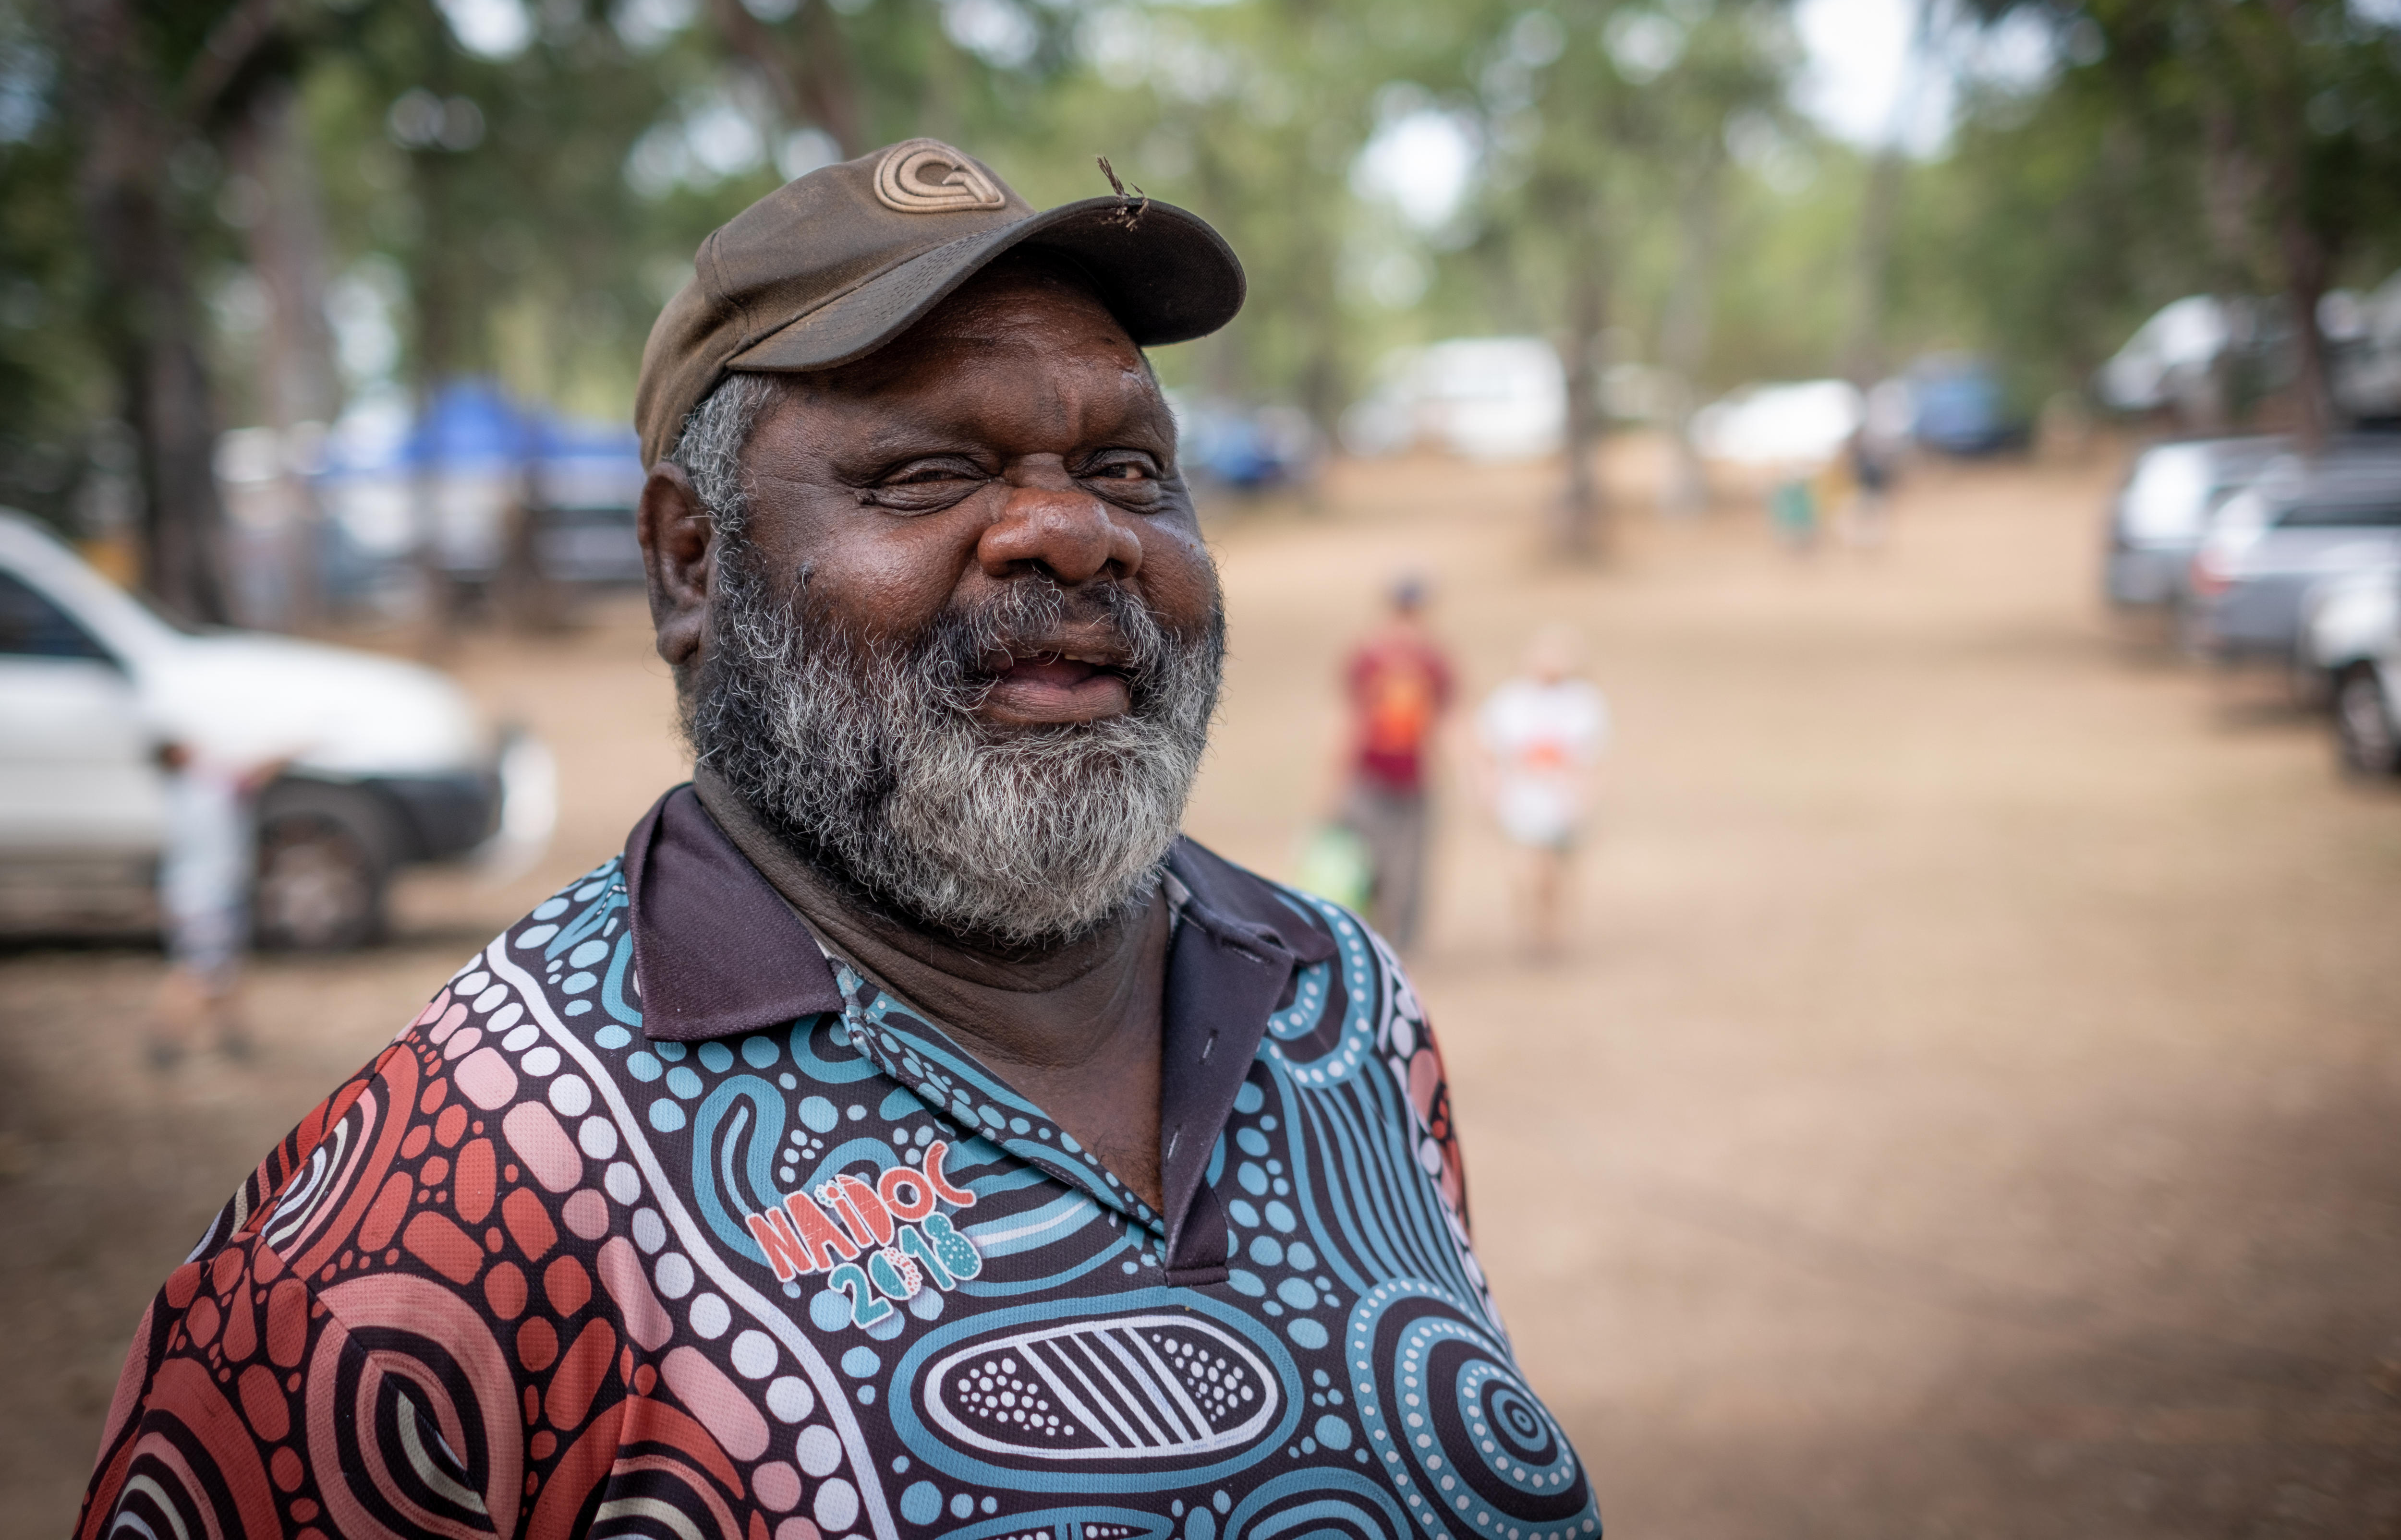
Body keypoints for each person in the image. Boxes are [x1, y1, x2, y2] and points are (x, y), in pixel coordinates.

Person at [83, 140, 1601, 1539]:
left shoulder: (1337, 999)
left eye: (1131, 470)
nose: (1073, 534)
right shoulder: (451, 1191)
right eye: (928, 475)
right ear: (692, 564)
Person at [1475, 628, 1610, 959]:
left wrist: (1587, 796)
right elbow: (1488, 749)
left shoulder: (1584, 702)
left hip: (1564, 803)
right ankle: (1531, 932)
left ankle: (1553, 934)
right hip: (1522, 802)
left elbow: (1594, 756)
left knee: (1558, 874)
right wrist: (1489, 788)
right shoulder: (1509, 701)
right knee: (1529, 872)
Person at [1337, 575, 1453, 950]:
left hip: (1415, 779)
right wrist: (1334, 780)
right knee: (1370, 861)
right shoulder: (1368, 658)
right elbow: (1348, 719)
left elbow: (1447, 721)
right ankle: (1373, 934)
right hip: (1370, 775)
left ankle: (1400, 944)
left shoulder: (1434, 661)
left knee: (1411, 867)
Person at [146, 740, 272, 1065]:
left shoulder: (180, 793)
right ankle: (166, 1039)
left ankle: (233, 1037)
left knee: (224, 969)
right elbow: (255, 773)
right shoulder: (205, 790)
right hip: (208, 897)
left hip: (193, 894)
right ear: (175, 754)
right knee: (200, 972)